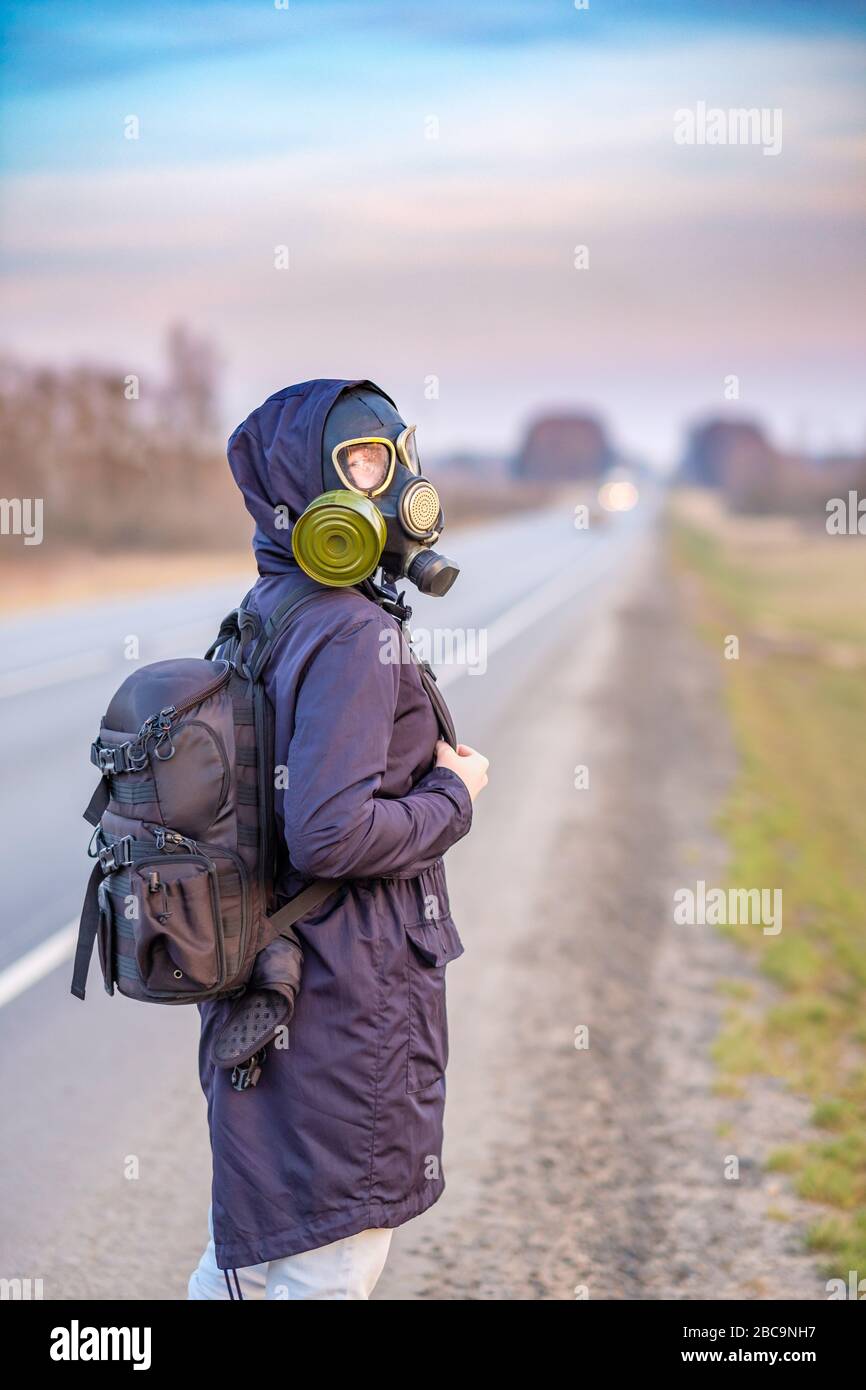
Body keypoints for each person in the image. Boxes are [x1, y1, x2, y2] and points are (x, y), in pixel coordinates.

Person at [188, 379, 488, 1300]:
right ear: (304, 492)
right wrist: (454, 793)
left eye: (397, 457)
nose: (393, 487)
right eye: (362, 463)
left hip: (273, 984)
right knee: (330, 1260)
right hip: (339, 1003)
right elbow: (329, 833)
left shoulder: (271, 607)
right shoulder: (352, 631)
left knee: (251, 1252)